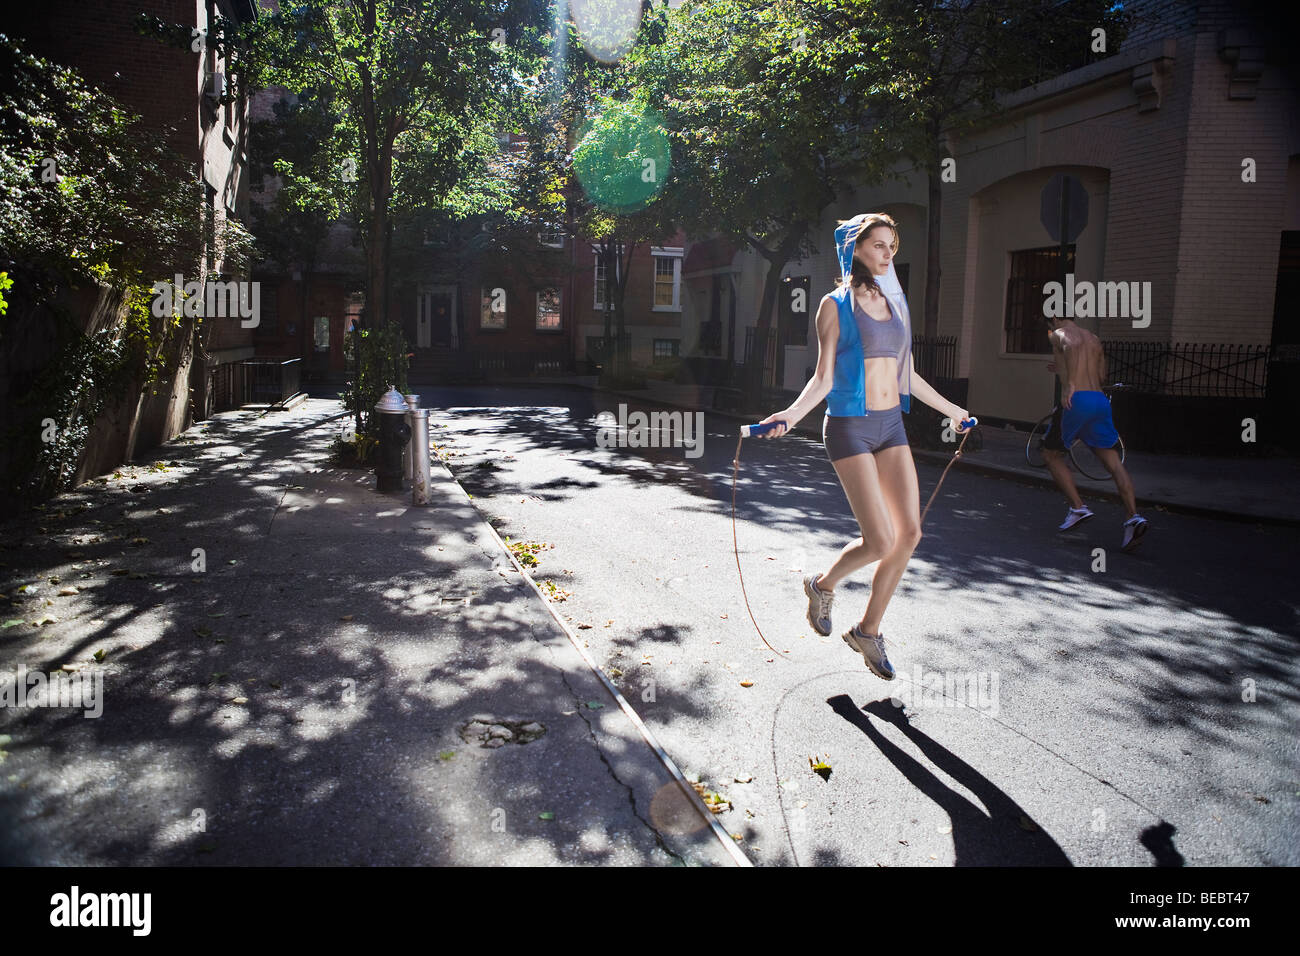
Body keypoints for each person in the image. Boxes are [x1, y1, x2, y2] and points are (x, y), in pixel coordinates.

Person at [753, 213, 971, 680]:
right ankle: (821, 584)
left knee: (909, 534)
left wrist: (952, 409)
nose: (889, 253)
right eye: (878, 244)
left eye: (893, 244)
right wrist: (791, 415)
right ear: (855, 249)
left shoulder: (895, 303)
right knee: (880, 540)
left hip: (891, 425)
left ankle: (867, 631)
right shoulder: (834, 306)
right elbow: (824, 376)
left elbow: (905, 373)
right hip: (851, 427)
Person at [1040, 314, 1149, 551]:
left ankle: (1078, 507)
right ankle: (1132, 518)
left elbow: (1065, 358)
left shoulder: (1057, 335)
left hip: (1076, 400)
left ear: (1055, 318)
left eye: (1050, 324)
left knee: (1049, 454)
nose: (1050, 328)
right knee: (1112, 461)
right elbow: (1101, 376)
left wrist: (1067, 386)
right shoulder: (1094, 338)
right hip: (1100, 400)